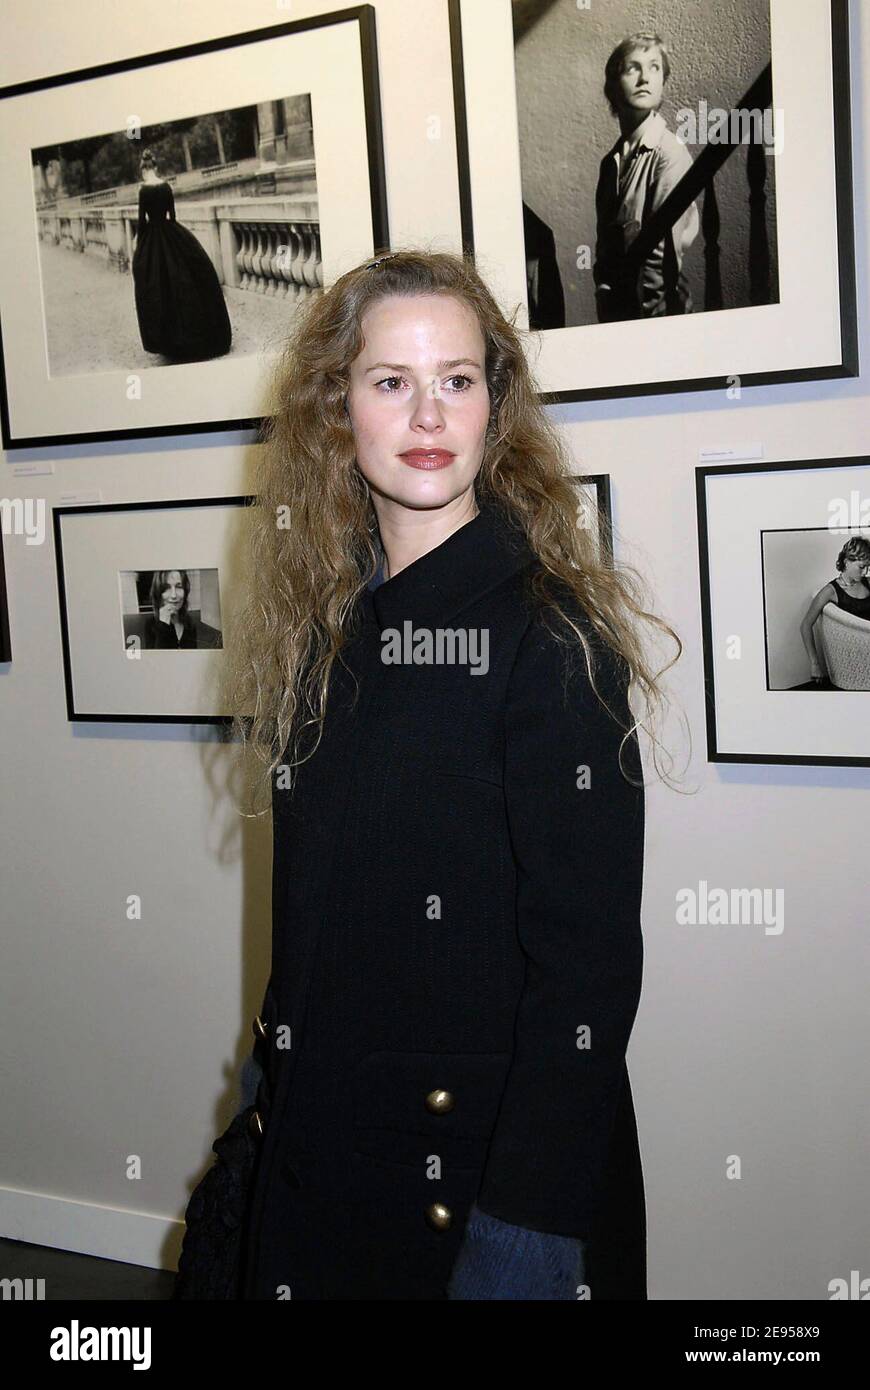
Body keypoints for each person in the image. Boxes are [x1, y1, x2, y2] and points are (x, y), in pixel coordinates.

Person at [179, 247, 682, 1301]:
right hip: (327, 1141)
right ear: (336, 408)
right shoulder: (325, 626)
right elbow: (317, 917)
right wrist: (263, 1107)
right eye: (390, 382)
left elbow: (585, 978)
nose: (427, 416)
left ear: (496, 407)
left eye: (458, 380)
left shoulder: (550, 639)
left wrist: (521, 1237)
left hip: (482, 1186)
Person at [594, 32, 700, 322]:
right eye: (633, 68)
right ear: (614, 85)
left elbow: (660, 262)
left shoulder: (669, 153)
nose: (644, 78)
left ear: (662, 81)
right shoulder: (610, 164)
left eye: (654, 67)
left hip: (660, 316)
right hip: (620, 315)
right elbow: (605, 249)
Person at [131, 148, 232, 361]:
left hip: (152, 237)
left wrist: (140, 247)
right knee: (188, 280)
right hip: (172, 232)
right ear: (156, 167)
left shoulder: (143, 191)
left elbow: (142, 222)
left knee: (158, 288)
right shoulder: (166, 186)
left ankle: (169, 342)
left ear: (143, 170)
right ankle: (194, 335)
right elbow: (173, 216)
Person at [800, 537, 870, 683]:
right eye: (861, 567)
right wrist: (815, 664)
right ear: (846, 562)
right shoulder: (830, 591)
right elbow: (805, 625)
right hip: (856, 656)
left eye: (868, 567)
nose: (865, 572)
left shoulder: (867, 582)